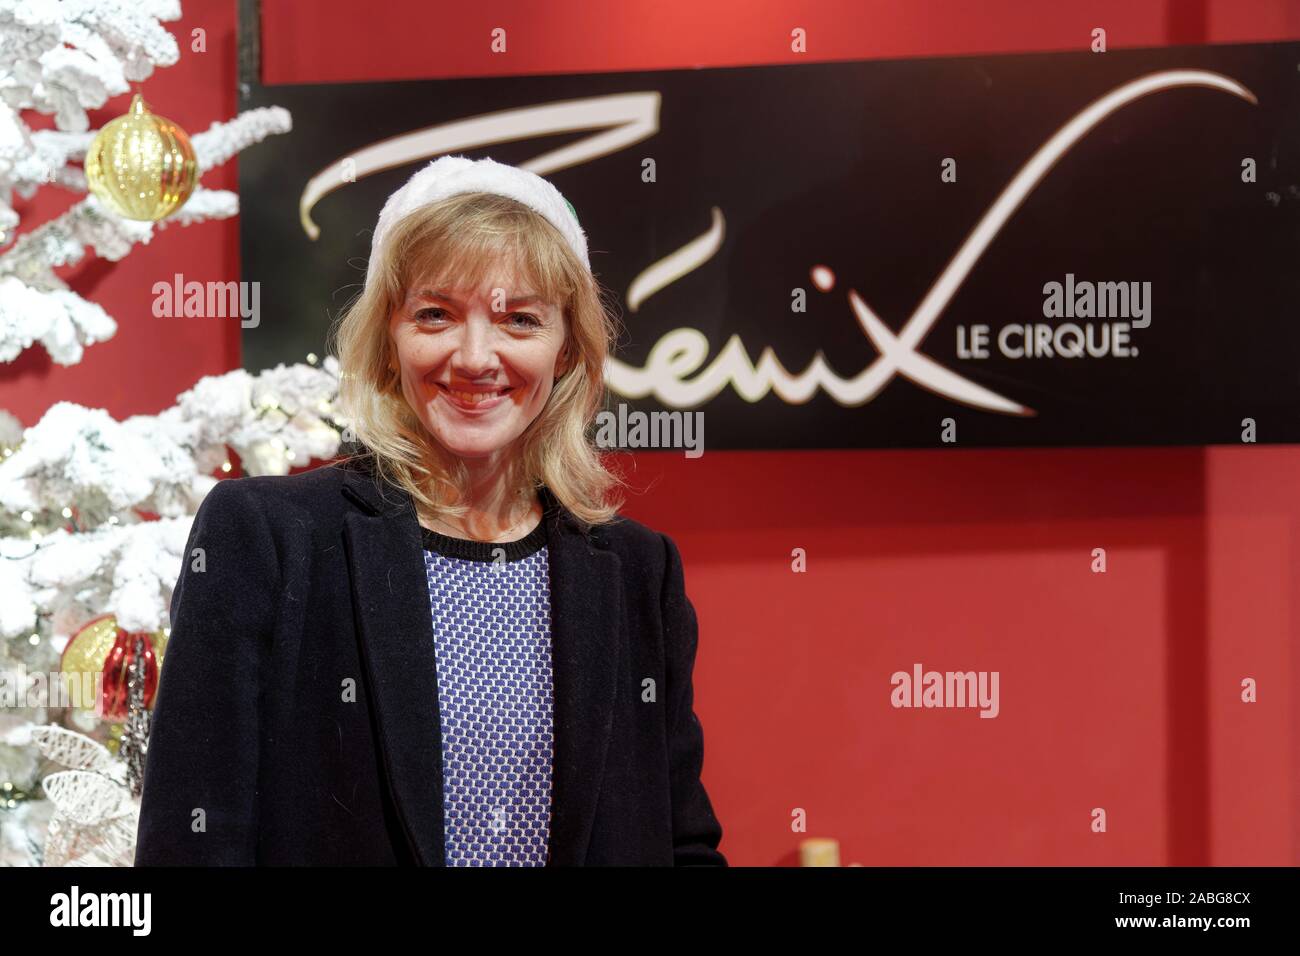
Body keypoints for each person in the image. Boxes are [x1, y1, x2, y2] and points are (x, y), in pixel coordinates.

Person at [133, 154, 727, 866]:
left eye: (519, 319)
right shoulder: (265, 538)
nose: (475, 357)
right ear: (390, 337)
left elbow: (681, 842)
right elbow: (191, 843)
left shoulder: (638, 570)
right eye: (436, 314)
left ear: (567, 350)